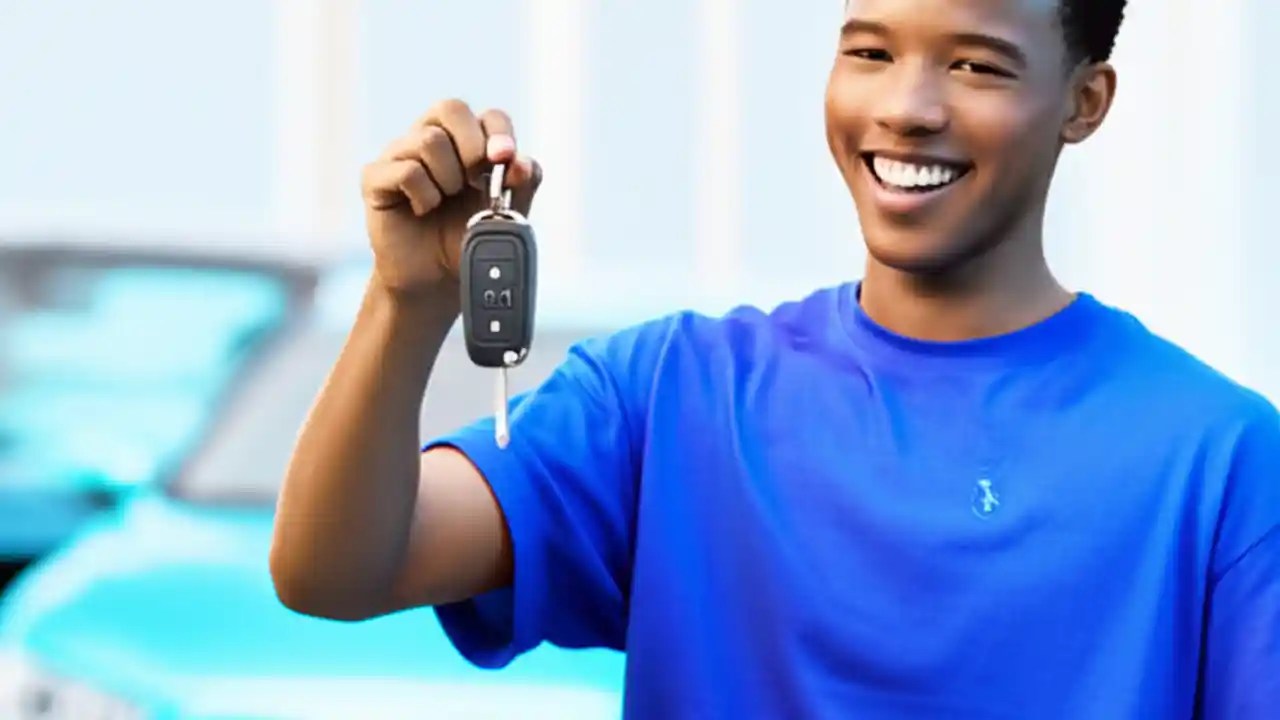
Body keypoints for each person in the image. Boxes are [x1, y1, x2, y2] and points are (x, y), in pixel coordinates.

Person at [269, 0, 1280, 716]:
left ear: (1084, 100)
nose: (906, 107)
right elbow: (334, 571)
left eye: (974, 64)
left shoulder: (1218, 455)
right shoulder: (673, 395)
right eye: (869, 50)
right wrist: (406, 303)